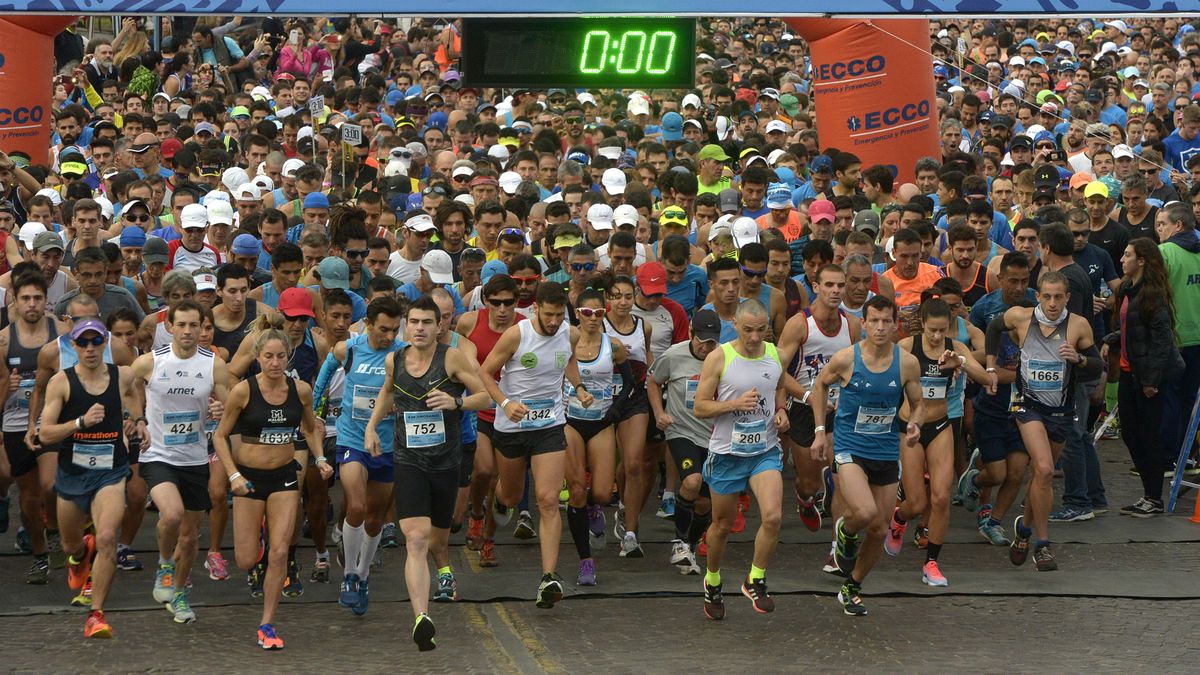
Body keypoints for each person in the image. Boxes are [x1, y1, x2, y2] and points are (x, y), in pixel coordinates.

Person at [364, 296, 492, 651]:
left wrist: (457, 402)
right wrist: (371, 427)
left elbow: (485, 397)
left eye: (427, 323)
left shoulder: (451, 358)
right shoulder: (395, 360)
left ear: (439, 327)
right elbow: (387, 393)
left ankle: (443, 572)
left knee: (440, 534)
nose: (419, 328)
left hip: (446, 462)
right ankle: (422, 617)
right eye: (414, 322)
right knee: (416, 539)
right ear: (406, 326)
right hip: (408, 460)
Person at [213, 318, 332, 650]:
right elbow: (220, 436)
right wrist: (233, 475)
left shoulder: (300, 391)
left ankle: (267, 624)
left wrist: (320, 458)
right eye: (268, 356)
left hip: (284, 477)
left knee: (280, 553)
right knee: (245, 559)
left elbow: (309, 428)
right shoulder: (243, 391)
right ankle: (260, 540)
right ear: (257, 357)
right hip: (249, 480)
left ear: (288, 356)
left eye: (281, 356)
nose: (275, 363)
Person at [478, 282, 592, 608]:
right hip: (512, 427)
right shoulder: (516, 335)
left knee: (548, 499)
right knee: (512, 496)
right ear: (536, 309)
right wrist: (504, 403)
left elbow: (568, 361)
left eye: (559, 315)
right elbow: (485, 372)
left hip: (549, 425)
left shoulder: (570, 334)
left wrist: (579, 388)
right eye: (549, 315)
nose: (554, 322)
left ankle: (548, 578)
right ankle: (499, 499)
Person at [810, 296, 926, 616]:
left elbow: (918, 404)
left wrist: (915, 424)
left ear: (895, 324)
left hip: (885, 450)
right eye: (874, 320)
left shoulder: (906, 363)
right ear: (863, 323)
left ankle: (852, 587)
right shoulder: (847, 358)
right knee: (863, 512)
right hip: (850, 447)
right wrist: (820, 431)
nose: (880, 327)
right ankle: (845, 533)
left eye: (886, 321)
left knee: (878, 529)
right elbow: (820, 386)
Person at [985, 271, 1103, 571]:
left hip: (1061, 411)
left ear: (1067, 298)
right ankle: (1043, 545)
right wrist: (990, 366)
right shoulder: (1020, 317)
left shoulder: (1078, 325)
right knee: (1046, 468)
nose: (1052, 303)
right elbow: (994, 329)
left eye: (1058, 297)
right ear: (1038, 296)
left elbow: (1097, 366)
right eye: (1047, 297)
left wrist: (1079, 359)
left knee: (1042, 477)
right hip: (1027, 406)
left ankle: (1023, 530)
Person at [39, 317, 143, 638]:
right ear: (73, 345)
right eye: (83, 342)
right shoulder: (61, 382)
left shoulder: (122, 375)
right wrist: (80, 423)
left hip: (110, 471)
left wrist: (137, 419)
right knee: (70, 543)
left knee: (108, 536)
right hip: (73, 473)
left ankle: (96, 615)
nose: (89, 348)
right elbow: (45, 433)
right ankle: (79, 555)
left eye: (96, 341)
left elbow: (134, 392)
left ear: (105, 344)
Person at [131, 298, 231, 623]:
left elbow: (232, 406)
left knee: (189, 538)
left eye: (194, 325)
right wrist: (137, 418)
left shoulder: (213, 365)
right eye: (182, 325)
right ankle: (164, 565)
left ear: (202, 329)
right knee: (171, 514)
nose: (188, 331)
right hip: (158, 454)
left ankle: (179, 594)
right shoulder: (150, 362)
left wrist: (221, 409)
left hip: (195, 458)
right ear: (170, 327)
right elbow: (126, 388)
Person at [886, 293, 994, 586]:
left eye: (942, 330)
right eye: (932, 330)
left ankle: (931, 563)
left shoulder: (955, 347)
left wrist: (961, 361)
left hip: (941, 425)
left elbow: (986, 379)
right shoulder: (907, 347)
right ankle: (899, 519)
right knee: (916, 503)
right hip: (910, 427)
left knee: (941, 497)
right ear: (922, 324)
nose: (936, 336)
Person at [693, 299, 788, 620]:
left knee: (773, 516)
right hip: (727, 453)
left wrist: (782, 411)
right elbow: (700, 406)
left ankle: (755, 579)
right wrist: (733, 404)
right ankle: (713, 581)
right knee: (721, 526)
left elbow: (779, 389)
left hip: (764, 450)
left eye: (760, 330)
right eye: (748, 330)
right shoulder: (720, 357)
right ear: (734, 324)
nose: (754, 337)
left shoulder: (775, 354)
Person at [323, 296, 405, 615]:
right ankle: (349, 577)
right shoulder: (351, 349)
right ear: (368, 324)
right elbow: (325, 374)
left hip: (387, 445)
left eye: (395, 330)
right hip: (353, 439)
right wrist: (315, 413)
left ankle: (363, 574)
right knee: (355, 507)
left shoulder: (403, 353)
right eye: (384, 329)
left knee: (375, 518)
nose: (390, 336)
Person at [777, 264, 861, 540]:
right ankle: (805, 499)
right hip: (804, 408)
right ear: (816, 287)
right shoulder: (799, 324)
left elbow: (857, 366)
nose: (835, 291)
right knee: (808, 483)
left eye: (840, 285)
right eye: (829, 285)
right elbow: (777, 370)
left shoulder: (852, 324)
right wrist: (808, 396)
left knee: (839, 477)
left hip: (840, 409)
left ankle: (837, 546)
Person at [454, 275, 526, 566]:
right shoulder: (468, 322)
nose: (502, 309)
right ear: (485, 301)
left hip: (512, 413)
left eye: (508, 302)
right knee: (483, 470)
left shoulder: (525, 326)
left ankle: (488, 539)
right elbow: (455, 356)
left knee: (501, 483)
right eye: (496, 302)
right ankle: (476, 515)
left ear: (517, 302)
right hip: (481, 409)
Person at [1107, 240, 1183, 516]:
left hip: (1148, 375)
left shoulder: (1152, 294)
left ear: (1141, 261)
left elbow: (1162, 340)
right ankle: (1149, 493)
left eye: (1127, 255)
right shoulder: (1128, 288)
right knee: (1130, 433)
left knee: (1149, 435)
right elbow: (1132, 326)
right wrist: (1111, 339)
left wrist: (1151, 380)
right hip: (1129, 371)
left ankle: (1154, 497)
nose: (1122, 259)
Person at [0, 272, 66, 584]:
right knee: (28, 497)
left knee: (50, 485)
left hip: (49, 420)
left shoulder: (61, 333)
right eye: (25, 298)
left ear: (46, 300)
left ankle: (53, 530)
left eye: (37, 298)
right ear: (15, 299)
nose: (32, 304)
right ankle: (40, 555)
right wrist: (7, 388)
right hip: (15, 423)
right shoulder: (3, 340)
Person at [563, 288, 630, 585]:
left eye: (599, 313)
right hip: (570, 422)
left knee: (602, 493)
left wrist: (616, 408)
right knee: (576, 489)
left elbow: (631, 382)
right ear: (578, 314)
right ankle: (585, 561)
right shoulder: (565, 342)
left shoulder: (613, 346)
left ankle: (593, 506)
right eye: (587, 313)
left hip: (601, 422)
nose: (593, 318)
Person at [648, 309, 722, 576]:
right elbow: (653, 382)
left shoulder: (724, 358)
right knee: (691, 481)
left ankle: (688, 546)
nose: (706, 347)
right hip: (681, 430)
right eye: (701, 340)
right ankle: (679, 543)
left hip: (714, 436)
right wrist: (659, 413)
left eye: (711, 342)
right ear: (690, 333)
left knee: (704, 504)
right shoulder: (673, 355)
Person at [604, 274, 655, 557]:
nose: (622, 302)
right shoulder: (597, 324)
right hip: (602, 402)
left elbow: (647, 358)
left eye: (627, 296)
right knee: (612, 470)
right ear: (607, 299)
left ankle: (631, 533)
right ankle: (619, 505)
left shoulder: (643, 326)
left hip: (634, 399)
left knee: (634, 464)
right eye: (616, 296)